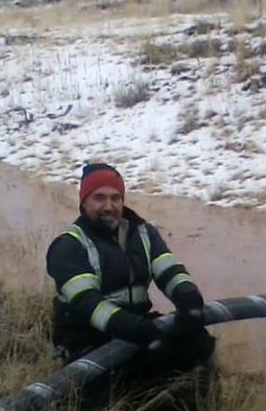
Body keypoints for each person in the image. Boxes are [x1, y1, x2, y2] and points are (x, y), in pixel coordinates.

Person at [46, 163, 215, 390]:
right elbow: (87, 304)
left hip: (136, 325)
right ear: (83, 202)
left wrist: (189, 300)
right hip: (87, 338)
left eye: (116, 198)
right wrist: (139, 331)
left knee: (199, 343)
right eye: (99, 198)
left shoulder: (144, 232)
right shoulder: (69, 245)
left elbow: (169, 271)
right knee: (113, 385)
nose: (109, 206)